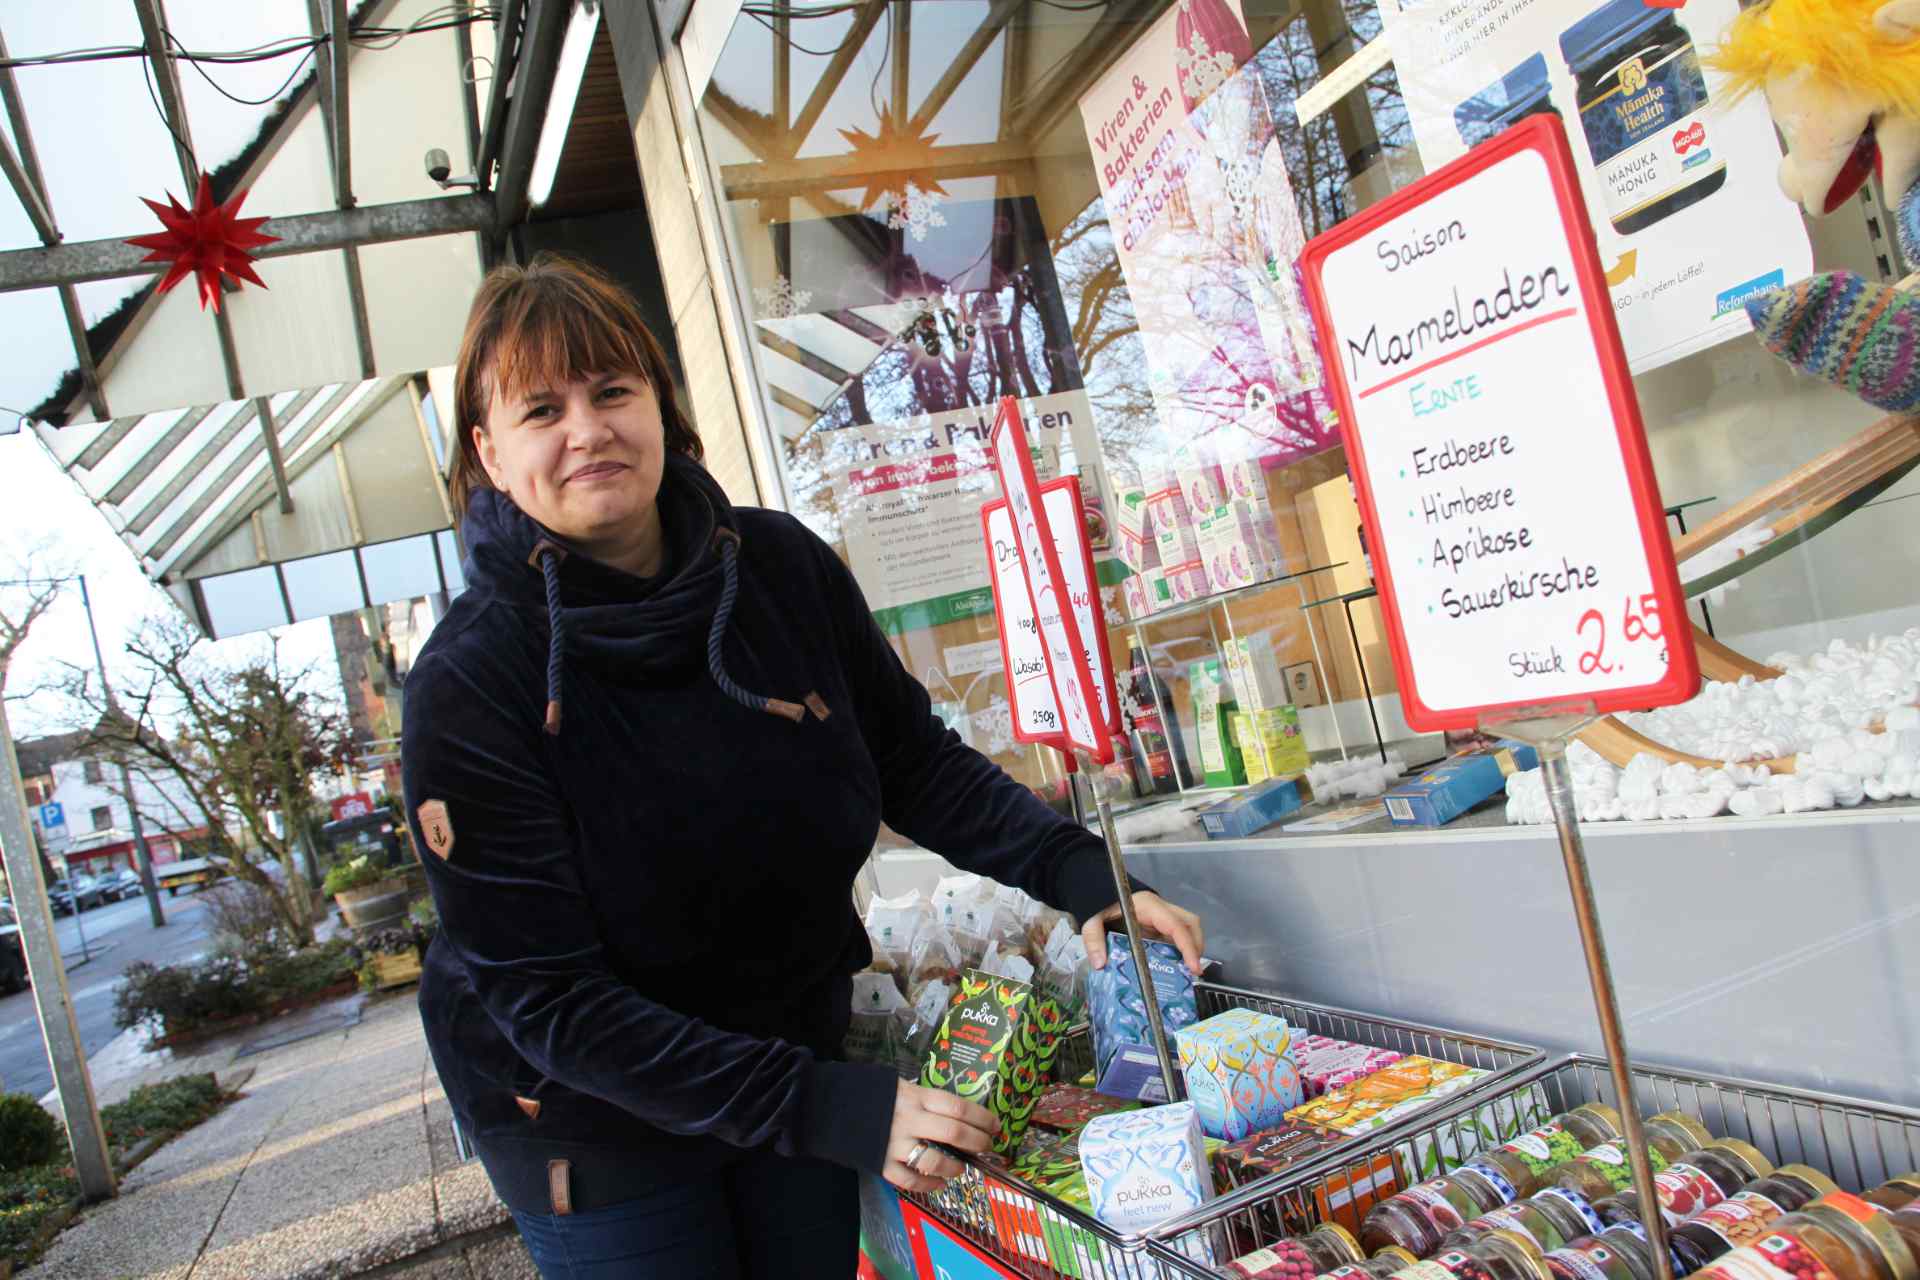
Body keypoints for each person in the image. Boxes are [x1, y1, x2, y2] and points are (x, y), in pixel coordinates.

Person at [401, 253, 1205, 1279]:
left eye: (613, 390)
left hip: (794, 1047)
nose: (588, 428)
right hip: (592, 1121)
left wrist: (1086, 875)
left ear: (659, 405)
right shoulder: (471, 681)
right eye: (541, 409)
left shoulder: (779, 567)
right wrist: (827, 1105)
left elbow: (911, 758)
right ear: (490, 452)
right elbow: (551, 1001)